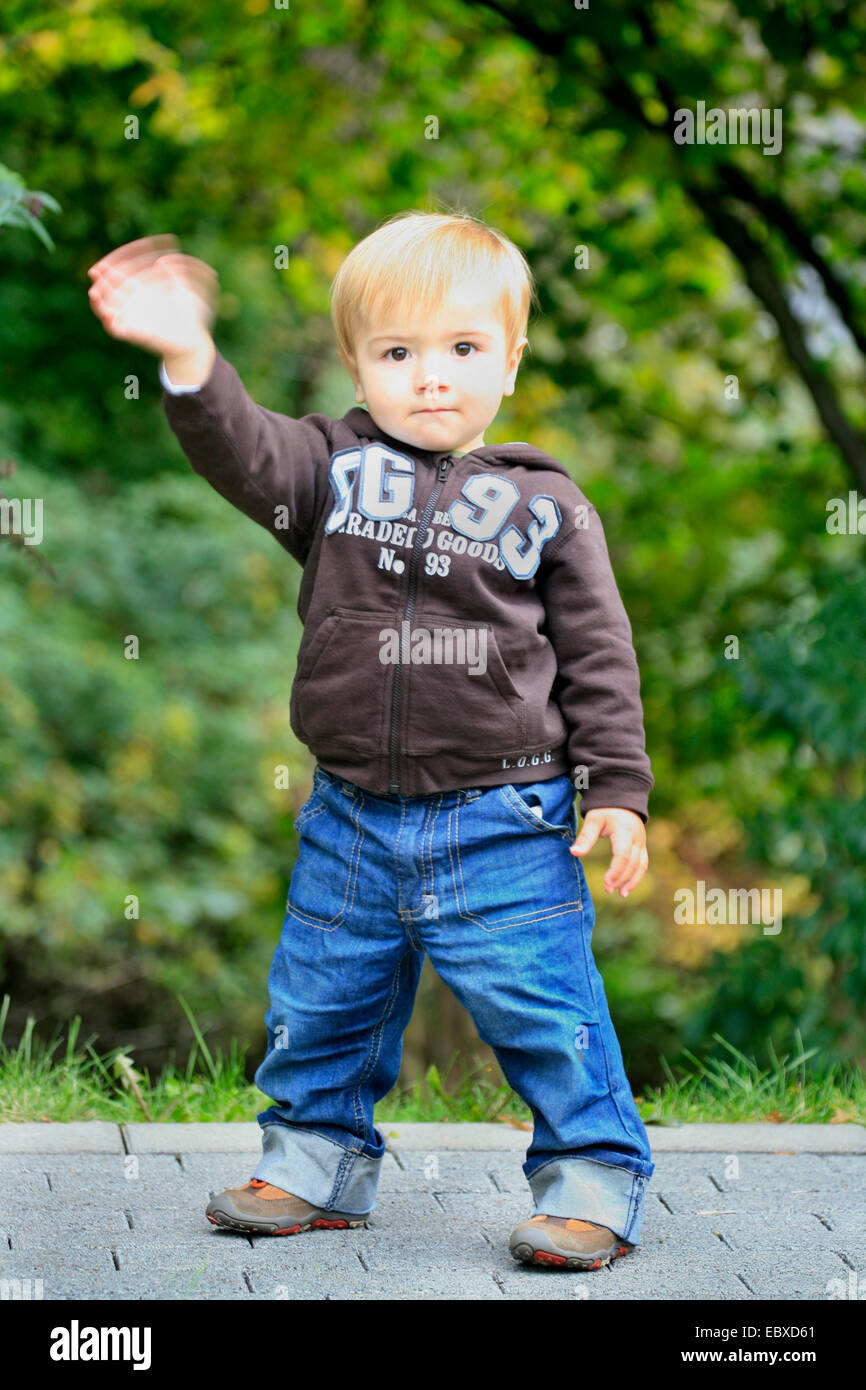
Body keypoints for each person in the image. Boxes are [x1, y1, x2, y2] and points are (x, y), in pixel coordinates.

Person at [86, 210, 655, 1272]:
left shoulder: (548, 505)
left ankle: (591, 1179)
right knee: (319, 997)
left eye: (461, 350)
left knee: (541, 1007)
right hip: (349, 811)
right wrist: (187, 356)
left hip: (504, 819)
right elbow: (239, 446)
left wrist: (614, 787)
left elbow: (598, 655)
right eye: (397, 353)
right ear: (356, 362)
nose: (430, 378)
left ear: (511, 356)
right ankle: (312, 1162)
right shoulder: (329, 470)